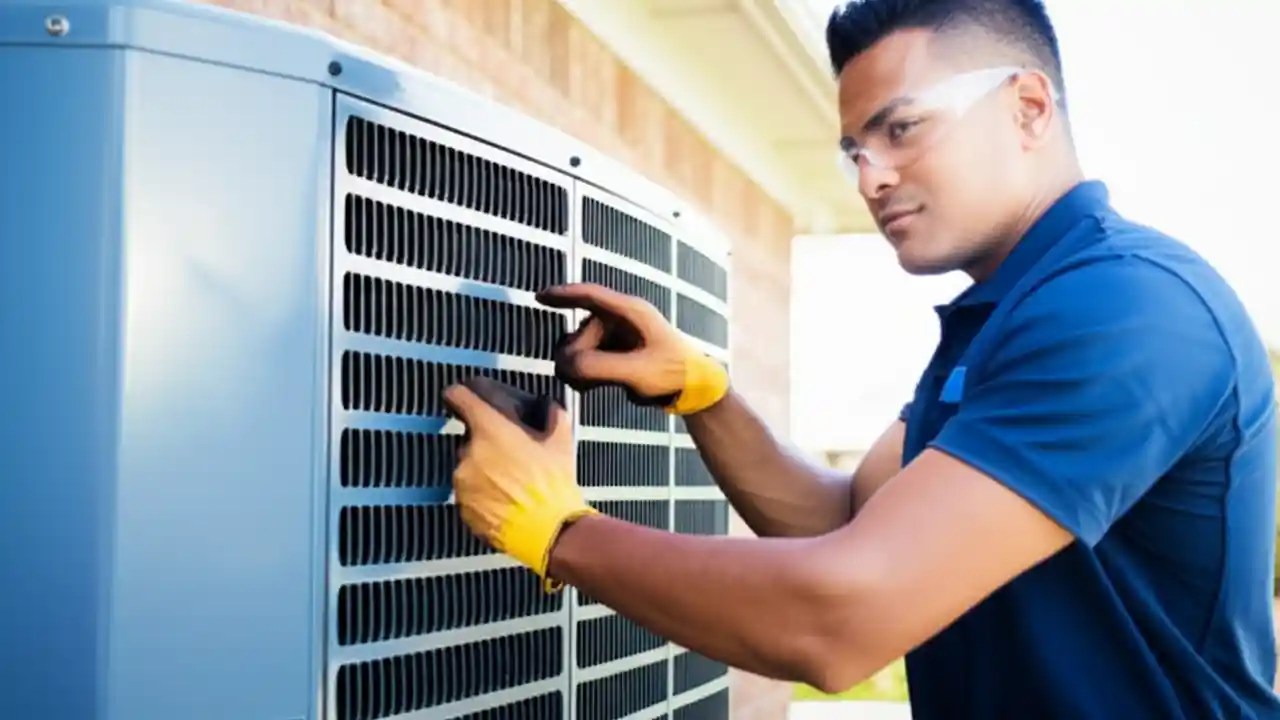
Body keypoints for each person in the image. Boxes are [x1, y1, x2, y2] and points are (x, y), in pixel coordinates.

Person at [441, 0, 1280, 717]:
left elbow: (843, 615)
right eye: (854, 150)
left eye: (902, 128)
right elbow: (845, 521)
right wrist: (704, 395)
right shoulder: (1009, 317)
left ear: (1027, 107)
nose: (869, 178)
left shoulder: (1128, 309)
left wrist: (559, 532)